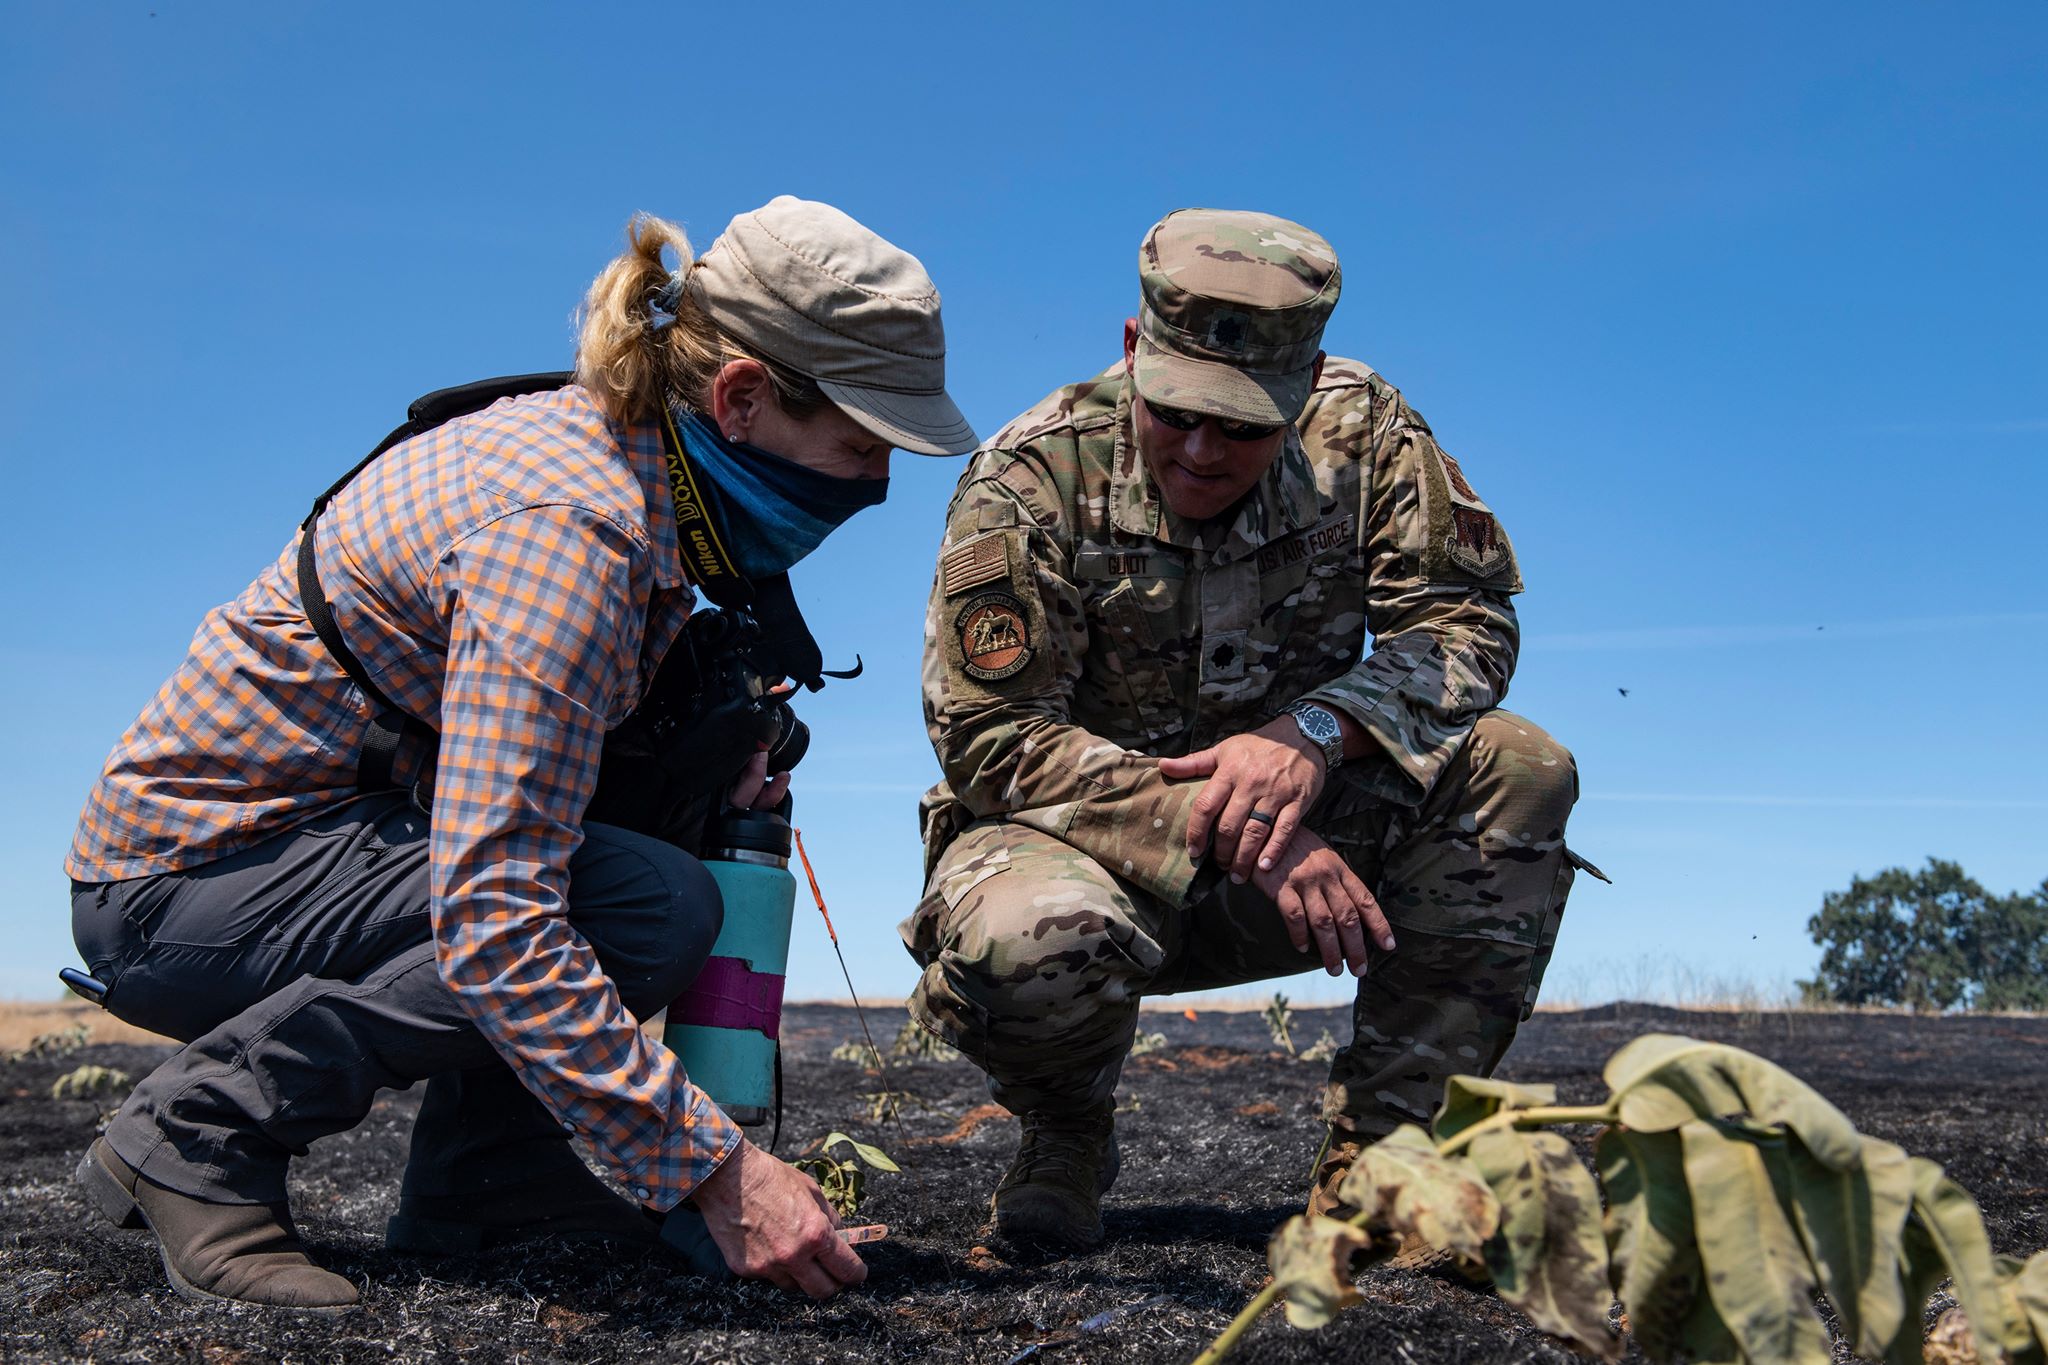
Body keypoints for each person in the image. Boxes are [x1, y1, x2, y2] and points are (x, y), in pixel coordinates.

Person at [65, 196, 977, 1310]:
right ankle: (195, 1126)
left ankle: (492, 1192)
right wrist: (718, 1170)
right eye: (859, 444)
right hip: (190, 884)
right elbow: (496, 915)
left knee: (651, 864)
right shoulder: (569, 530)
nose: (872, 483)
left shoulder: (628, 471)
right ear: (739, 398)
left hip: (310, 851)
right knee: (645, 908)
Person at [902, 208, 1595, 1252]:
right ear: (1132, 349)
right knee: (1016, 938)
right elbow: (991, 733)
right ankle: (1067, 1137)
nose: (1198, 450)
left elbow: (1466, 622)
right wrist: (1239, 824)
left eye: (1241, 424)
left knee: (1520, 767)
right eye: (1175, 410)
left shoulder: (1367, 433)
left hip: (1322, 851)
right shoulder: (1029, 478)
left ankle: (1382, 1173)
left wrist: (1317, 732)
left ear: (1307, 382)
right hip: (1087, 862)